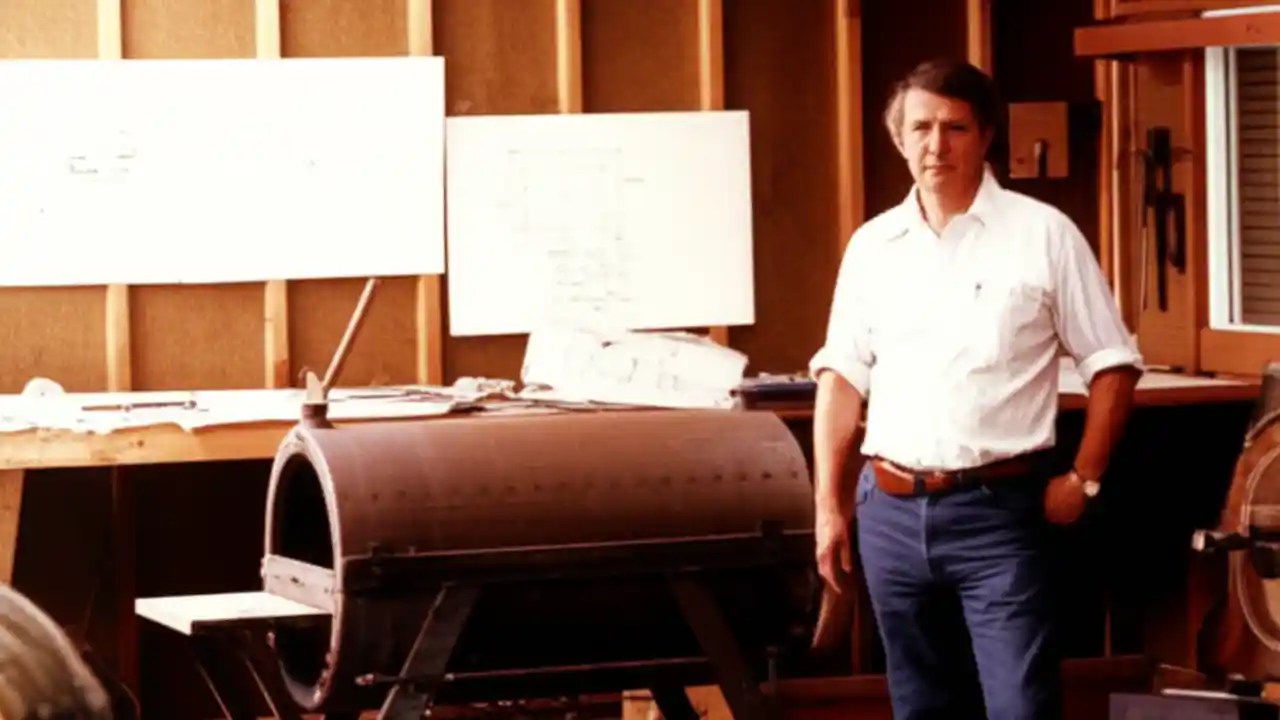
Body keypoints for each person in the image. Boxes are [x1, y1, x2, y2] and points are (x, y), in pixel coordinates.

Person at [809, 58, 1143, 720]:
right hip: (890, 514)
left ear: (986, 135)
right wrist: (829, 506)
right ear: (898, 137)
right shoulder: (874, 246)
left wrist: (1085, 479)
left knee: (1020, 707)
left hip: (1001, 514)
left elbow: (1113, 364)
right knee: (921, 707)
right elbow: (842, 379)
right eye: (921, 128)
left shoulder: (1042, 234)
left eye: (956, 127)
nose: (937, 146)